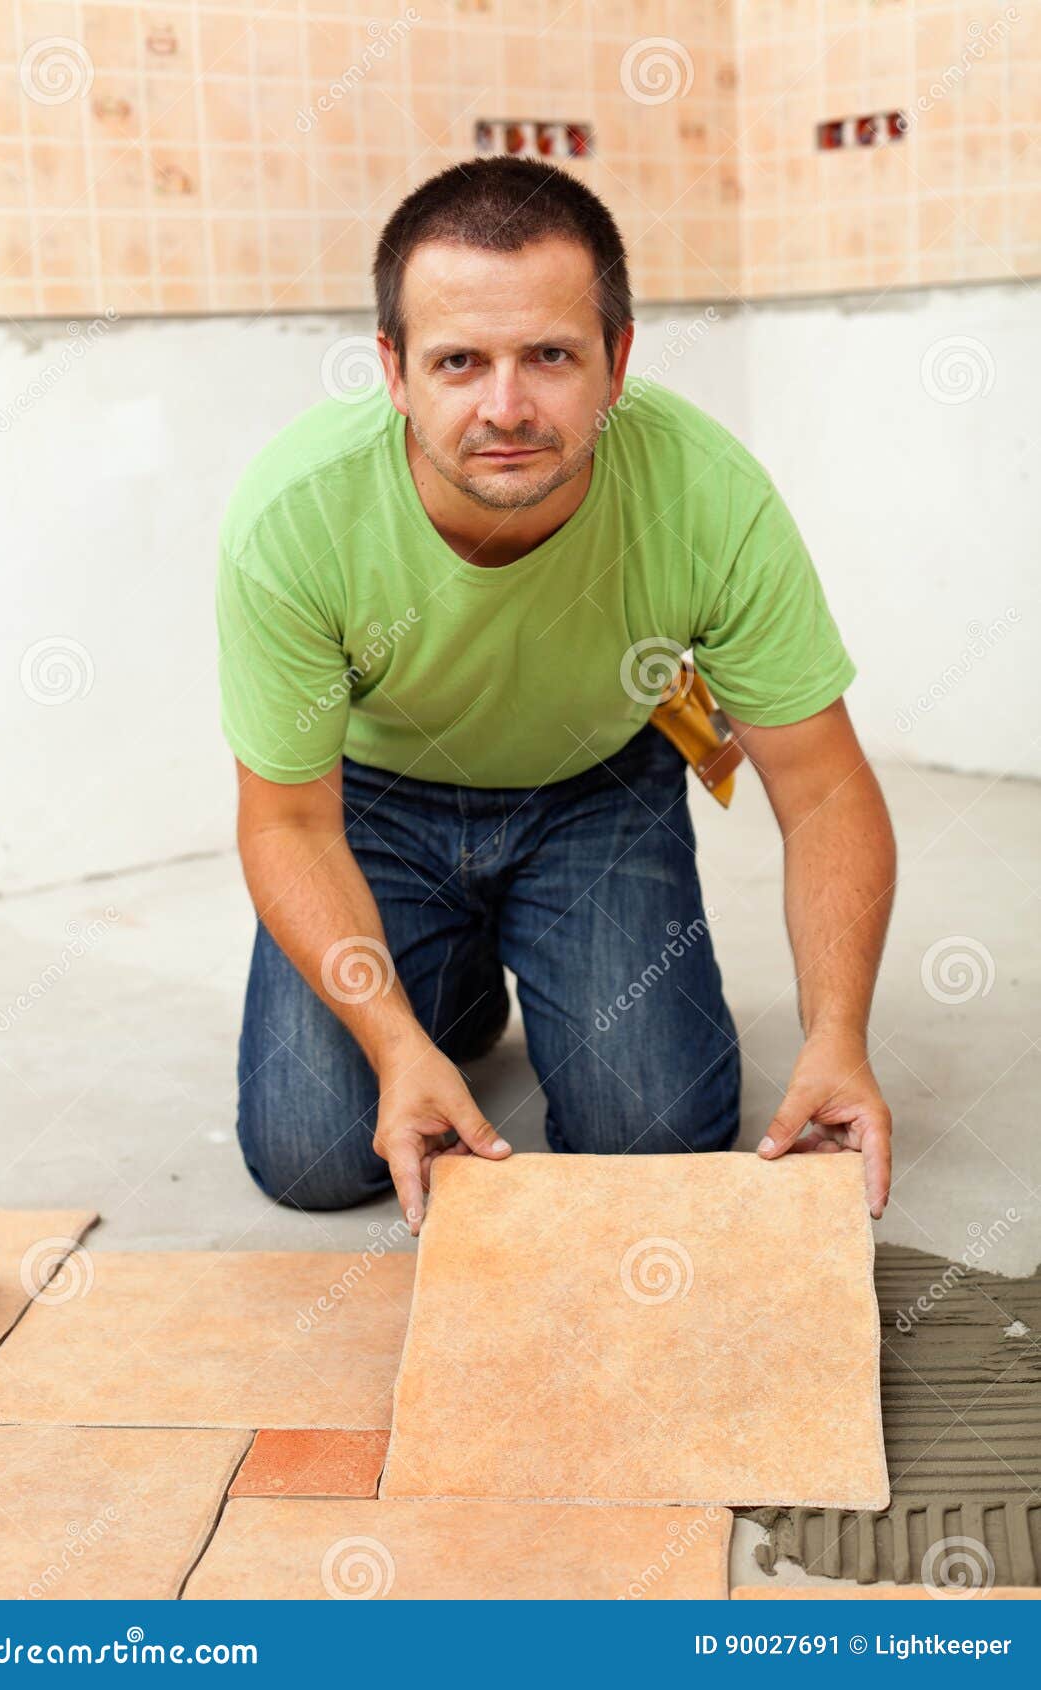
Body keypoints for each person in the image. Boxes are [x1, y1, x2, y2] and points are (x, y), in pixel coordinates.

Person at [216, 157, 895, 1234]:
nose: (505, 406)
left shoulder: (709, 496)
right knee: (312, 1157)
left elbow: (820, 790)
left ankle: (479, 955)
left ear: (615, 361)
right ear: (392, 371)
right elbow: (290, 818)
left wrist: (836, 1036)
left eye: (548, 355)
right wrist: (396, 1044)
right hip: (380, 806)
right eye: (456, 362)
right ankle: (455, 987)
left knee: (657, 1137)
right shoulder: (293, 517)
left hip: (594, 789)